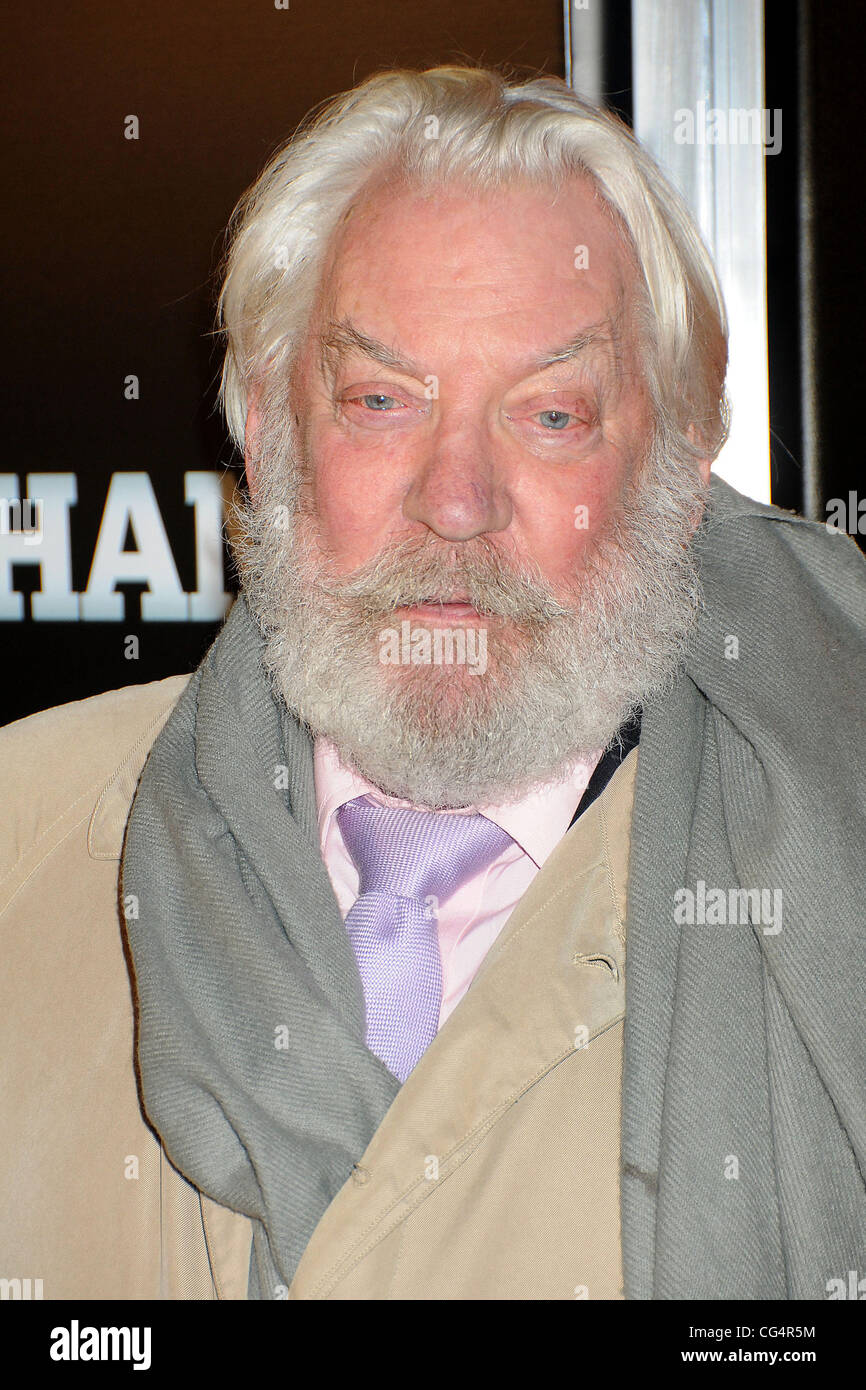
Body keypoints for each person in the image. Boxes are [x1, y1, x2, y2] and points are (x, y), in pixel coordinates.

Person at [2, 65, 865, 1302]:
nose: (453, 502)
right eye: (379, 400)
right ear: (263, 426)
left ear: (678, 461)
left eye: (551, 415)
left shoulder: (832, 854)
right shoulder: (17, 851)